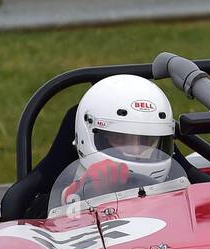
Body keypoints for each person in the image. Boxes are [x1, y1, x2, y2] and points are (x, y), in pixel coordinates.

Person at [62, 75, 178, 206]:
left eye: (146, 140)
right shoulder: (65, 190)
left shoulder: (179, 180)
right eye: (120, 139)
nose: (135, 151)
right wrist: (75, 193)